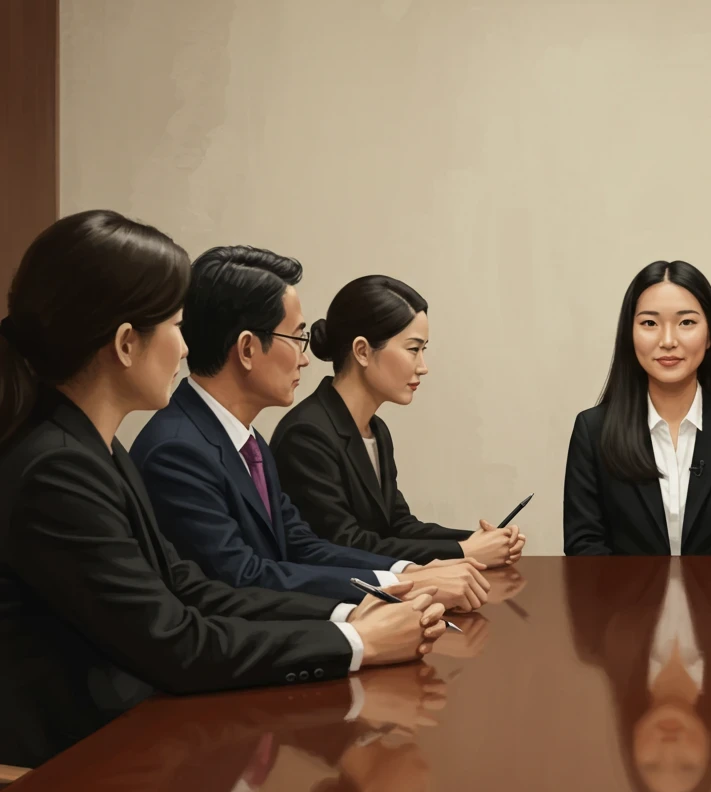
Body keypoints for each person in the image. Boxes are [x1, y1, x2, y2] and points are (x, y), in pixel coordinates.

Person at [0, 211, 446, 757]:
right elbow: (174, 641)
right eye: (175, 328)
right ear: (125, 344)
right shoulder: (59, 468)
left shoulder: (96, 447)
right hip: (75, 768)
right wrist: (356, 640)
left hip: (132, 732)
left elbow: (187, 586)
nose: (186, 349)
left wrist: (353, 614)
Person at [130, 246, 491, 611]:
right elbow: (243, 577)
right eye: (297, 338)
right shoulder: (176, 452)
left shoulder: (247, 439)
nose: (306, 357)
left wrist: (409, 572)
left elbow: (301, 544)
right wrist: (403, 585)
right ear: (247, 349)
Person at [271, 275, 524, 571]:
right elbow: (344, 544)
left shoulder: (376, 429)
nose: (423, 366)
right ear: (363, 351)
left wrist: (482, 541)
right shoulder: (307, 434)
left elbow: (398, 525)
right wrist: (464, 550)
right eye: (413, 349)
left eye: (423, 350)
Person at [563, 261, 711, 555]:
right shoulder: (593, 431)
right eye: (650, 323)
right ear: (630, 334)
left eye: (686, 322)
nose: (668, 341)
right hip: (622, 602)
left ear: (710, 334)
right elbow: (584, 547)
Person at [565, 557, 711, 792]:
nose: (669, 747)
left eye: (651, 765)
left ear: (630, 750)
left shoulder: (593, 641)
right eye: (687, 766)